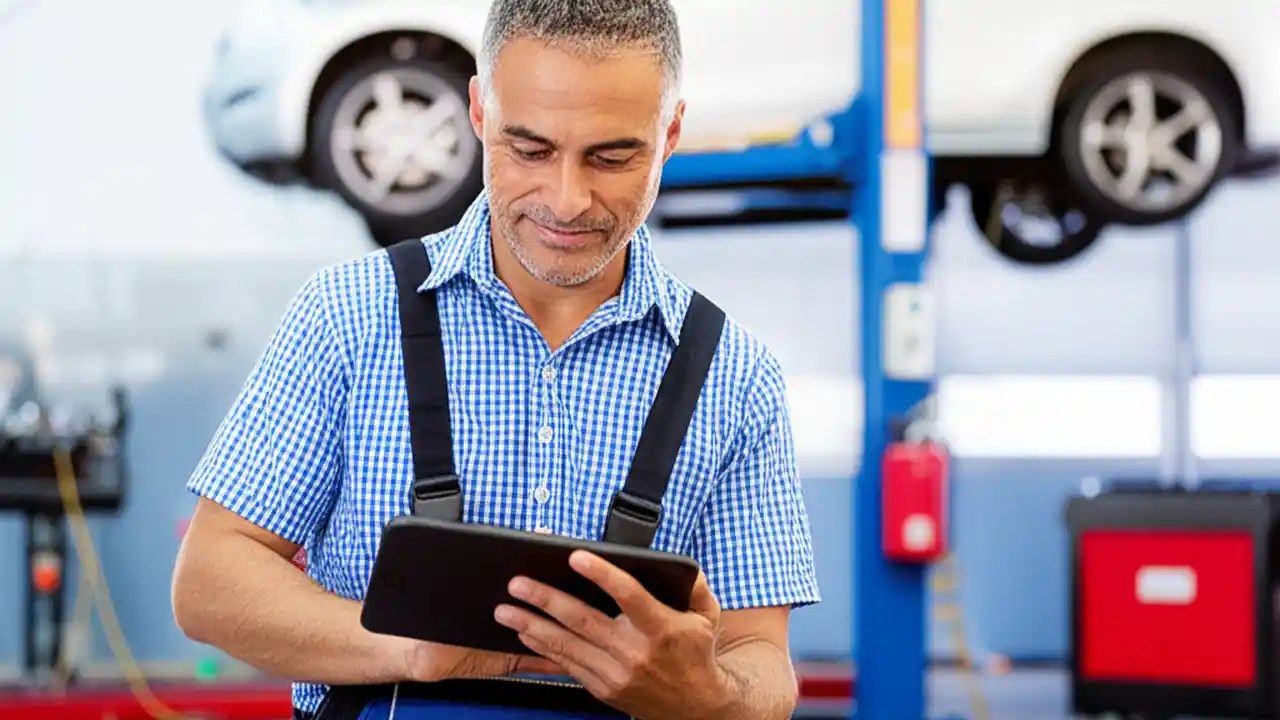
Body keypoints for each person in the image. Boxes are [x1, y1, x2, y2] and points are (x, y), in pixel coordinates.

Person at [171, 0, 821, 718]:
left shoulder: (734, 377)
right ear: (479, 111)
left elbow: (763, 663)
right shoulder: (347, 318)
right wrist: (406, 652)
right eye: (531, 149)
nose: (568, 200)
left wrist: (710, 697)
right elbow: (209, 582)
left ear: (670, 133)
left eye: (611, 156)